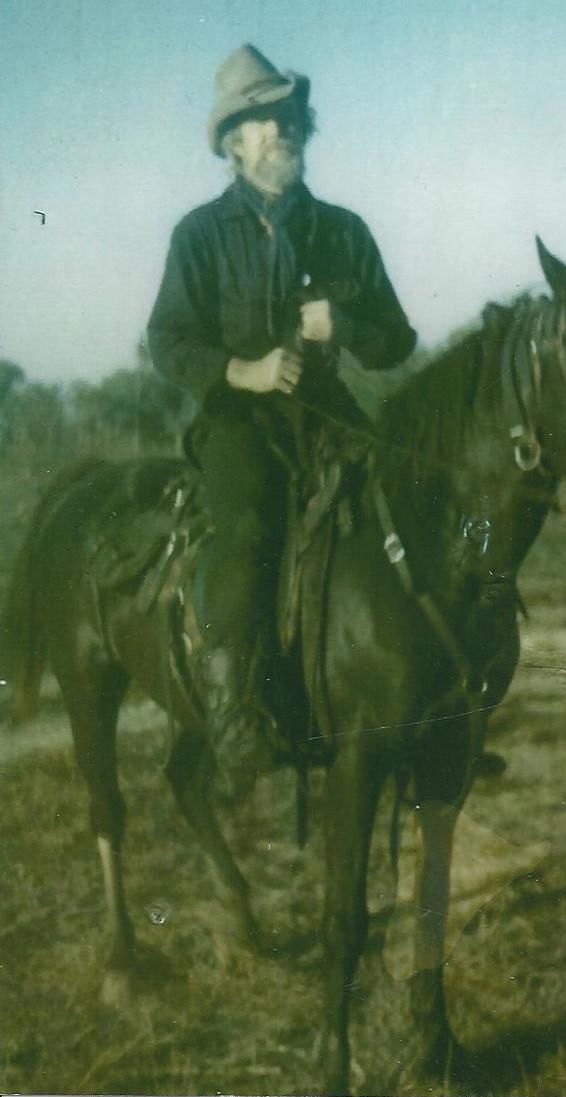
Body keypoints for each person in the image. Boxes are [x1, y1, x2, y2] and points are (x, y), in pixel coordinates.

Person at [147, 45, 416, 798]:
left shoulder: (344, 231)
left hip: (329, 416)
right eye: (264, 119)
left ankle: (418, 699)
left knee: (403, 506)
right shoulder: (198, 236)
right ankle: (236, 720)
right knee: (250, 530)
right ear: (233, 141)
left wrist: (349, 325)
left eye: (290, 116)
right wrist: (243, 371)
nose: (282, 129)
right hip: (238, 423)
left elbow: (398, 339)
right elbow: (167, 339)